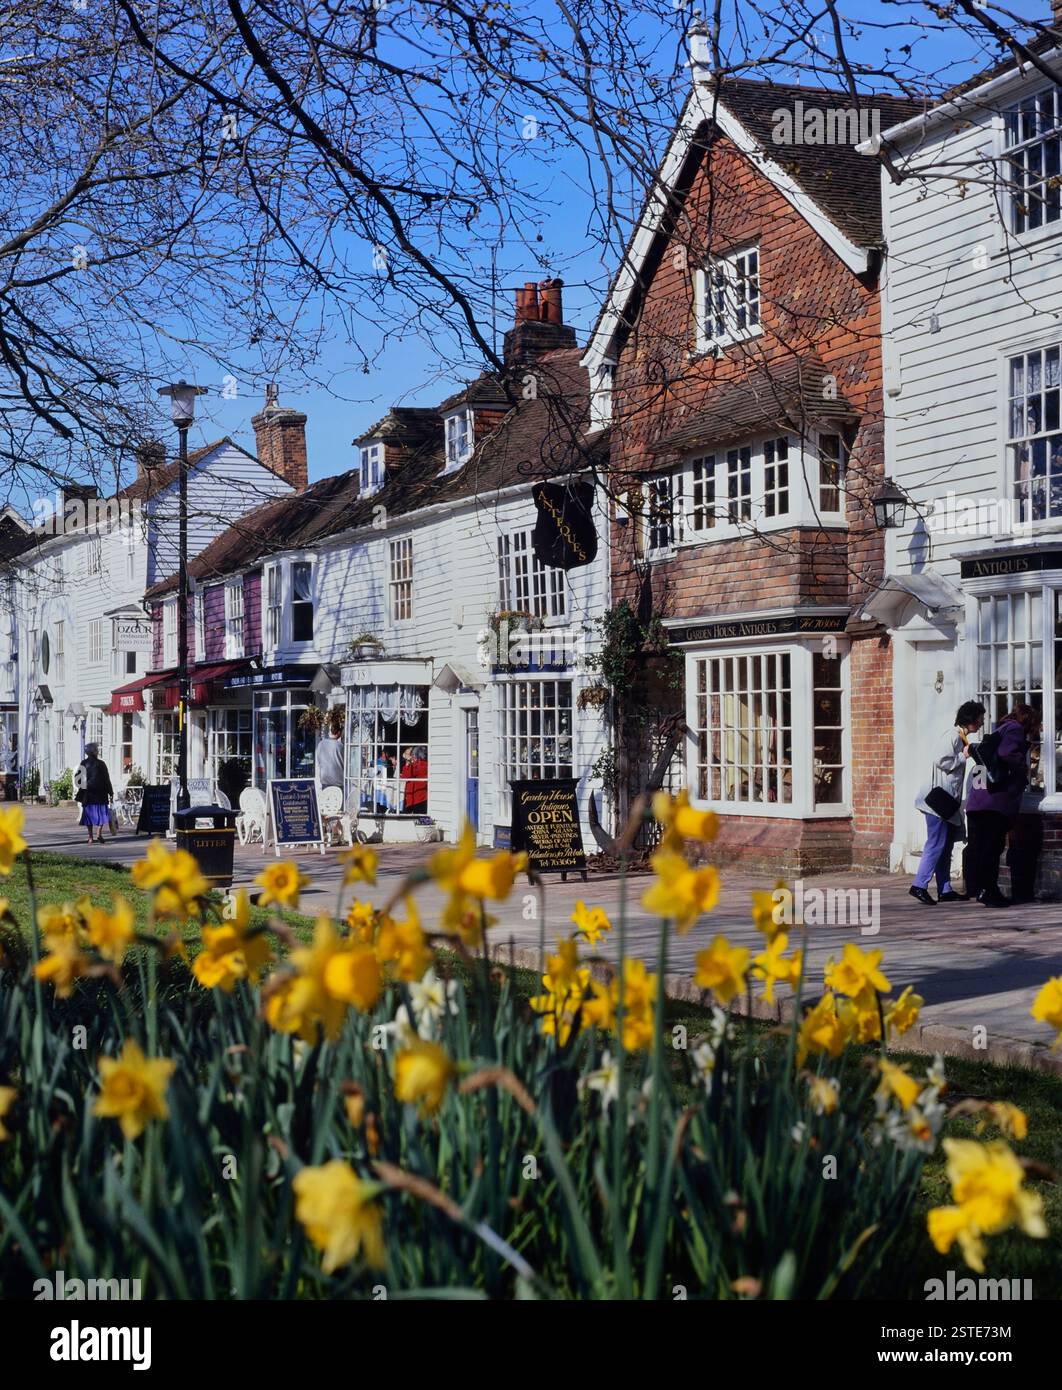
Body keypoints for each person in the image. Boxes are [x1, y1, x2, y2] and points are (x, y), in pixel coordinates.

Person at [910, 701, 985, 905]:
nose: (982, 722)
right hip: (938, 802)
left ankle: (945, 888)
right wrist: (963, 757)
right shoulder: (952, 736)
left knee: (945, 845)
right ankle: (919, 885)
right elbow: (941, 760)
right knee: (936, 843)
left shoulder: (960, 737)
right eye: (980, 717)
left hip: (946, 802)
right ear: (971, 719)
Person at [965, 703, 1039, 908]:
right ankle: (989, 892)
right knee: (992, 847)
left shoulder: (1000, 728)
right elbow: (1008, 754)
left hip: (981, 800)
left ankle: (982, 889)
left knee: (983, 848)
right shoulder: (1015, 729)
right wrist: (1023, 769)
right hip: (995, 801)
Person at [77, 743, 114, 844]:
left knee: (89, 816)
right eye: (97, 750)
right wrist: (110, 791)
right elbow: (107, 779)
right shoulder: (101, 764)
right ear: (93, 752)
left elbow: (78, 779)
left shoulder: (83, 763)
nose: (98, 751)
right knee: (102, 815)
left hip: (88, 793)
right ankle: (99, 834)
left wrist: (83, 786)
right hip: (101, 793)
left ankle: (90, 837)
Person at [315, 725, 344, 790]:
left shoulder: (321, 744)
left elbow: (319, 760)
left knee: (327, 798)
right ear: (339, 733)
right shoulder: (340, 746)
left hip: (325, 779)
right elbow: (344, 762)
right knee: (338, 799)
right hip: (338, 780)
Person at [401, 745, 428, 813]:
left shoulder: (415, 765)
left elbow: (405, 776)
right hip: (424, 795)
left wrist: (408, 762)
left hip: (414, 796)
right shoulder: (427, 764)